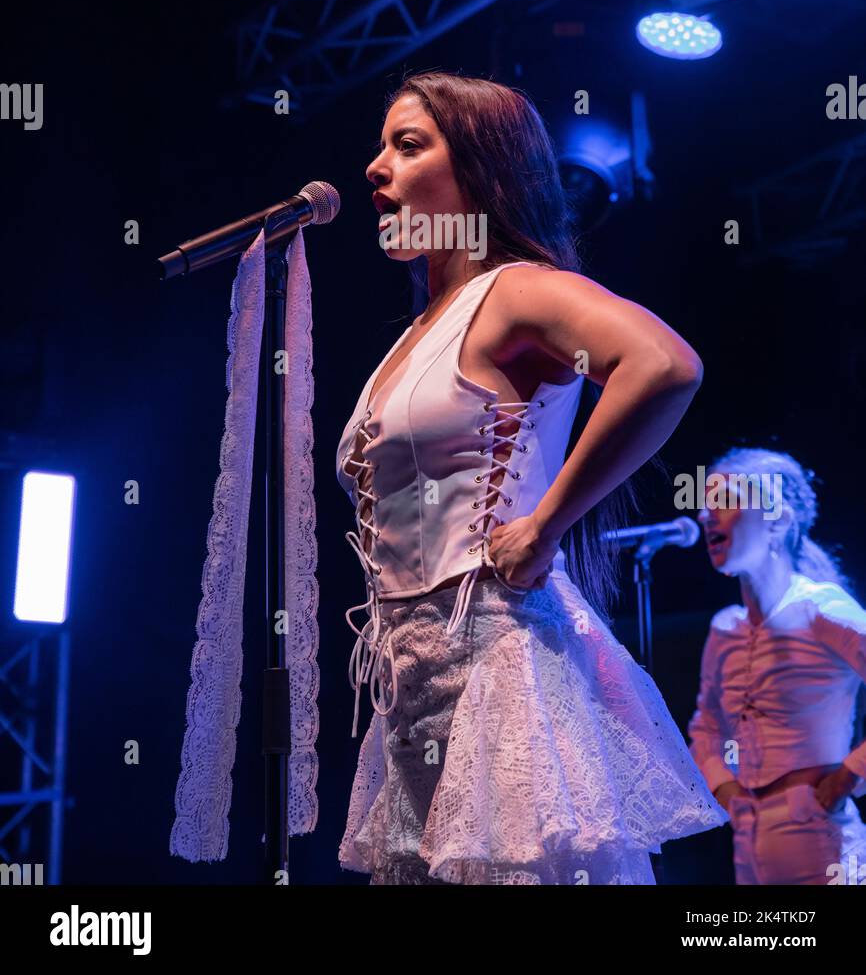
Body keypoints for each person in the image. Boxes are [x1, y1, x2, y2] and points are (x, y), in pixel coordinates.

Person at [336, 70, 727, 885]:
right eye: (381, 148)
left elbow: (662, 364)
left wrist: (546, 523)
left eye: (408, 146)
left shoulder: (512, 292)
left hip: (498, 661)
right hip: (408, 698)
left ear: (481, 171)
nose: (377, 168)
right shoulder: (413, 334)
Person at [689, 447, 866, 885]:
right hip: (748, 838)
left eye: (725, 502)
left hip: (820, 835)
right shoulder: (724, 628)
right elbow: (706, 727)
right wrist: (726, 790)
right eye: (704, 505)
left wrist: (850, 774)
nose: (705, 515)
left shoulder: (821, 609)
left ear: (777, 521)